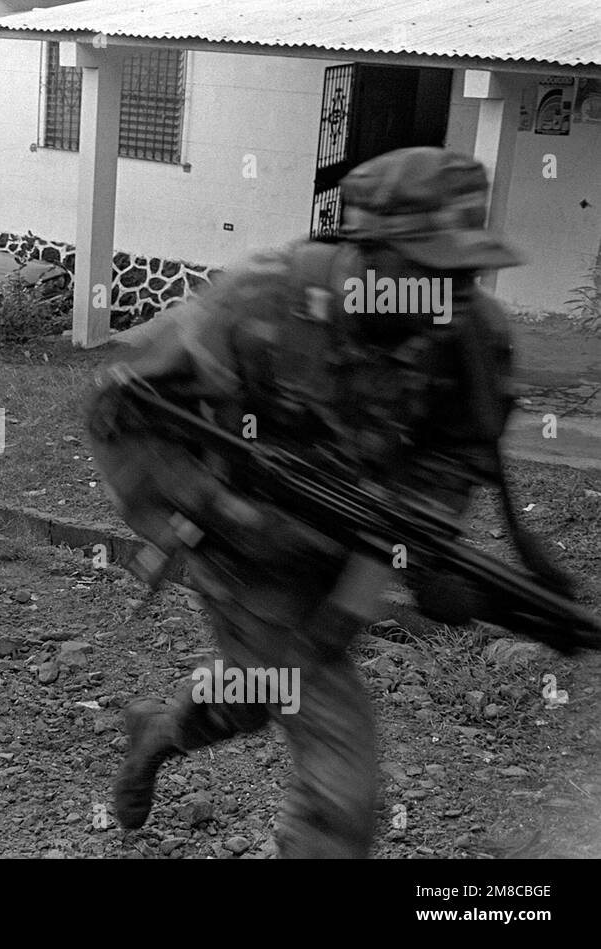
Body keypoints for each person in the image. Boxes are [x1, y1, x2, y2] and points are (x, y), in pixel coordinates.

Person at [87, 147, 523, 857]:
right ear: (367, 251)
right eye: (428, 268)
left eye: (465, 269)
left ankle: (161, 730)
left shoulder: (475, 339)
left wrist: (417, 552)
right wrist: (211, 516)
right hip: (241, 547)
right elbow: (120, 409)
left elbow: (450, 463)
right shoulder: (265, 300)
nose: (450, 291)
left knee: (268, 685)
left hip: (352, 542)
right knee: (338, 774)